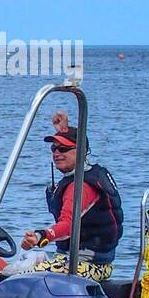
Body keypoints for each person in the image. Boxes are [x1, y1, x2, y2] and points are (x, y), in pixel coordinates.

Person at [19, 113, 123, 281]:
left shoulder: (81, 186)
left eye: (64, 149)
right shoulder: (86, 174)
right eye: (54, 149)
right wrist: (64, 130)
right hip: (74, 259)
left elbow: (68, 226)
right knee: (12, 270)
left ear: (81, 151)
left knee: (19, 282)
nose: (56, 153)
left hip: (88, 264)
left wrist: (40, 236)